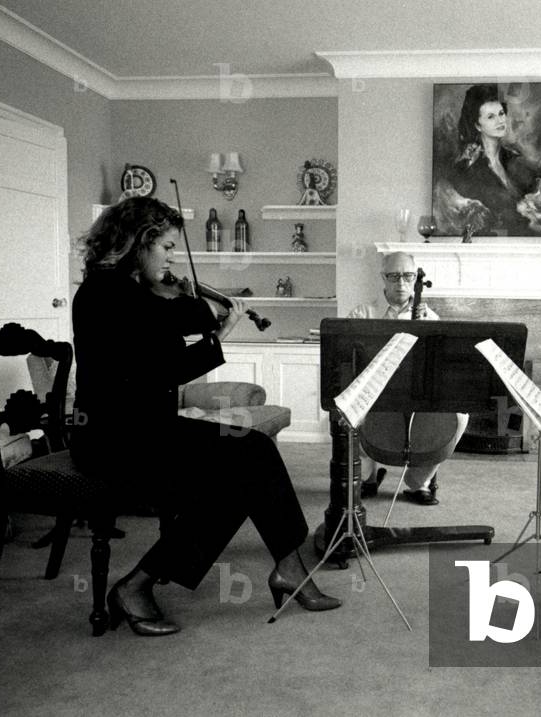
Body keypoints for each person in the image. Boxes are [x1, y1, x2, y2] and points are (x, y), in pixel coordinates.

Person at [70, 197, 340, 636]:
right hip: (111, 438)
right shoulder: (106, 292)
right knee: (246, 459)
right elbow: (162, 360)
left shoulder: (135, 291)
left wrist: (204, 322)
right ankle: (142, 585)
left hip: (146, 429)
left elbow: (166, 345)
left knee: (248, 460)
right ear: (141, 242)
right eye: (168, 246)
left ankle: (286, 568)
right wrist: (218, 332)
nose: (173, 258)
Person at [347, 251, 469, 505]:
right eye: (394, 276)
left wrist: (425, 327)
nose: (401, 283)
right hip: (375, 393)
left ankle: (417, 481)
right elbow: (348, 359)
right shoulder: (362, 314)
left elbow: (439, 367)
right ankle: (367, 475)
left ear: (416, 279)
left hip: (416, 394)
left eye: (408, 276)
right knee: (347, 413)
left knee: (459, 417)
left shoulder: (429, 317)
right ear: (383, 277)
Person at [435, 83, 541, 238]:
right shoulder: (467, 169)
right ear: (478, 125)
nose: (500, 120)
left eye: (501, 113)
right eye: (491, 117)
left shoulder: (515, 159)